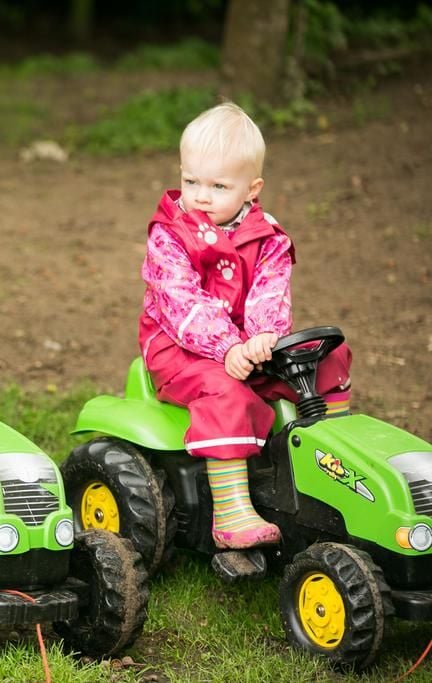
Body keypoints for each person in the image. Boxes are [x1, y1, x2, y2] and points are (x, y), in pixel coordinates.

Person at [138, 102, 352, 550]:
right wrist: (227, 346)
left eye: (218, 186)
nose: (200, 195)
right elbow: (181, 302)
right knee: (226, 390)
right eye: (191, 181)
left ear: (252, 189)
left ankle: (334, 459)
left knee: (330, 357)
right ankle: (232, 510)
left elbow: (271, 293)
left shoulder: (269, 237)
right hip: (182, 349)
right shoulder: (170, 235)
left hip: (249, 346)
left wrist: (263, 338)